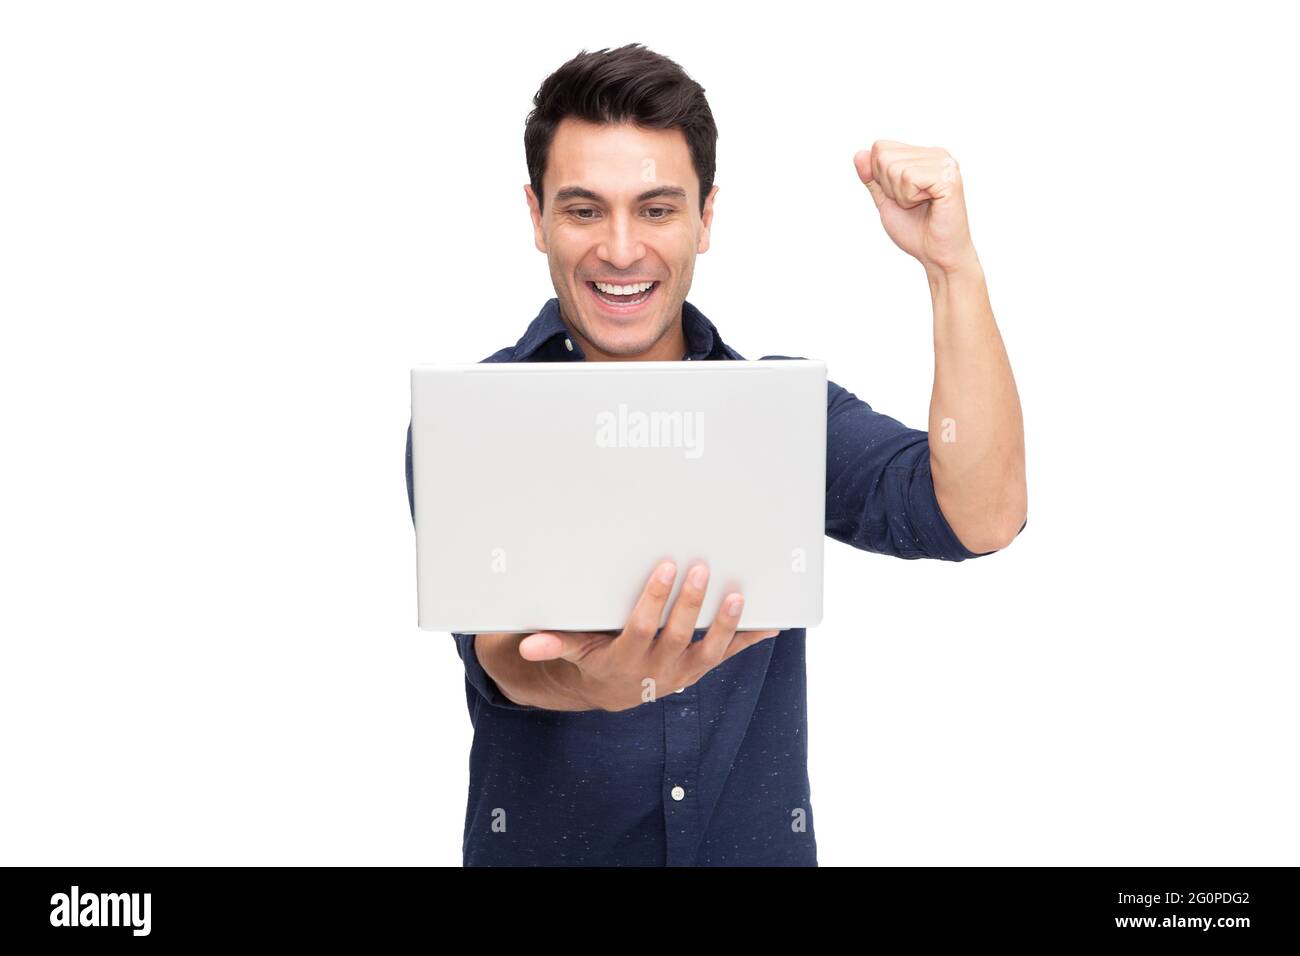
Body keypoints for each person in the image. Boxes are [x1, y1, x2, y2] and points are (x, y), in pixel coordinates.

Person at [405, 43, 1027, 866]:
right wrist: (592, 685)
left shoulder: (779, 416)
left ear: (706, 217)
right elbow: (501, 657)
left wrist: (953, 269)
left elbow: (981, 516)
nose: (621, 250)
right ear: (536, 216)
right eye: (585, 210)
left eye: (657, 209)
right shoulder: (476, 421)